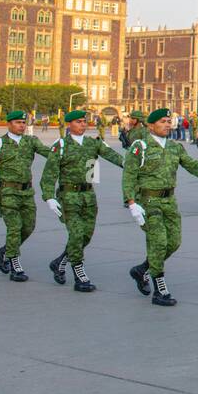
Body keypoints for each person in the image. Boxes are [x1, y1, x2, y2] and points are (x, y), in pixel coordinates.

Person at [122, 108, 198, 306]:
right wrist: (132, 203)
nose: (167, 124)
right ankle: (160, 289)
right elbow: (129, 175)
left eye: (169, 121)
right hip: (148, 201)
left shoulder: (174, 147)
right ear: (151, 125)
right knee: (159, 242)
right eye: (162, 121)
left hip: (169, 201)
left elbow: (189, 164)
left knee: (174, 242)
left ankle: (142, 269)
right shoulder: (140, 146)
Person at [39, 109, 125, 291]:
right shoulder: (60, 145)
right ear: (69, 125)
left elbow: (113, 156)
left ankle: (60, 261)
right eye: (78, 122)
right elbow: (49, 174)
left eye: (84, 121)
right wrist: (49, 197)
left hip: (88, 195)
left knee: (86, 235)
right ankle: (79, 273)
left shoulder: (92, 143)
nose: (83, 124)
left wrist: (131, 165)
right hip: (69, 196)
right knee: (77, 234)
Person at [0, 110, 52, 282]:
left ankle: (4, 251)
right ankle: (14, 263)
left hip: (27, 192)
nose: (22, 126)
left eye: (23, 123)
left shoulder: (31, 141)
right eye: (18, 122)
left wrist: (66, 153)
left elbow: (50, 154)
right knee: (15, 227)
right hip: (7, 192)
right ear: (8, 124)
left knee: (28, 227)